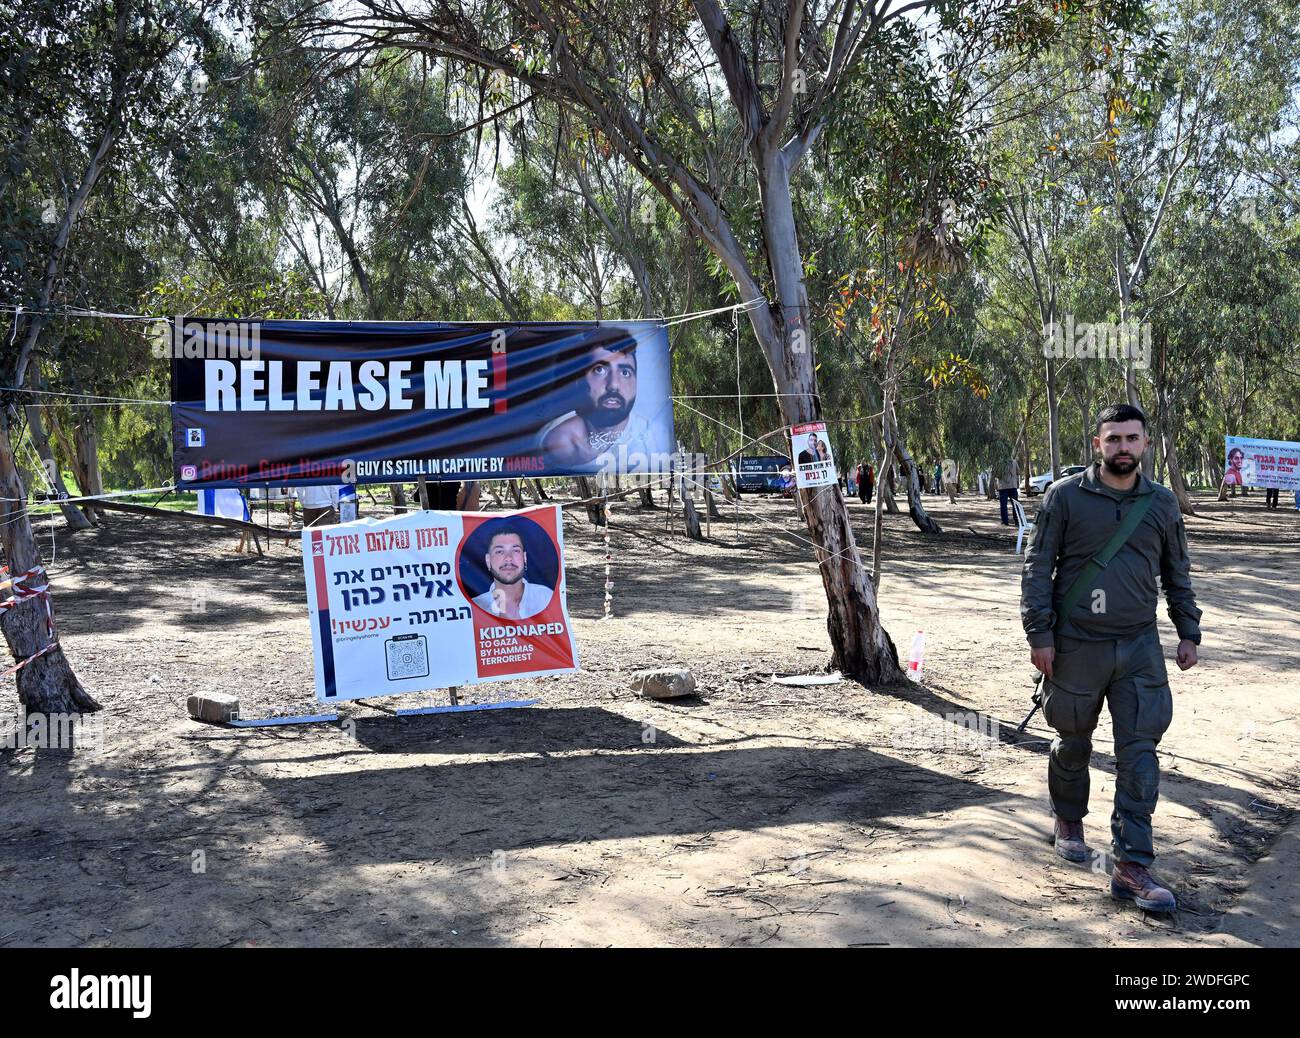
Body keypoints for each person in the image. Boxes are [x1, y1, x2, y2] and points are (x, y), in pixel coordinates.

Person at [1021, 403, 1201, 913]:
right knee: (1073, 742)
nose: (1123, 447)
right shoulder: (1065, 497)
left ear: (1145, 443)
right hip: (1076, 645)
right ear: (1097, 444)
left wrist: (1188, 631)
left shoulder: (1162, 504)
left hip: (1140, 646)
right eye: (1113, 438)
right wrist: (1040, 634)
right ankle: (1069, 818)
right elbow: (1037, 569)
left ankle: (1131, 866)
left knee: (1140, 755)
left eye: (1131, 438)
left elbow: (1177, 573)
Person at [543, 340, 651, 470]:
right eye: (600, 370)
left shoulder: (651, 436)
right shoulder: (553, 442)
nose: (613, 385)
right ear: (580, 381)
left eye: (625, 373)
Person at [471, 526, 554, 619]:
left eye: (515, 550)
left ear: (524, 558)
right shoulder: (474, 607)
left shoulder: (546, 597)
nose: (508, 558)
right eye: (499, 551)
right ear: (488, 560)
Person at [998, 455, 1020, 525]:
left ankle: (1005, 521)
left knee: (1003, 505)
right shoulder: (1014, 462)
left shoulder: (999, 463)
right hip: (1013, 486)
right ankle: (1017, 520)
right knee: (1015, 504)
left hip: (1003, 487)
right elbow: (1018, 472)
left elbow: (996, 474)